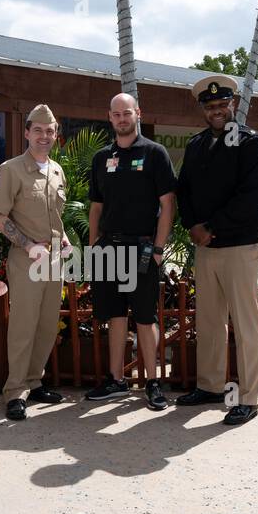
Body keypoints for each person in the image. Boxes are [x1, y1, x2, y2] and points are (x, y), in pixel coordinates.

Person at [174, 74, 258, 426]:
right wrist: (191, 226)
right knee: (210, 320)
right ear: (203, 110)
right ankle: (211, 386)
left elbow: (251, 198)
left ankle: (248, 398)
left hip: (240, 246)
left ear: (234, 104)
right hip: (206, 247)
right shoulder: (197, 145)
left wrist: (210, 227)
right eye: (210, 106)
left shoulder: (251, 144)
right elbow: (183, 190)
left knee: (245, 324)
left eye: (222, 105)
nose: (217, 111)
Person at [84, 93, 177, 410]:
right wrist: (95, 245)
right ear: (109, 117)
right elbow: (95, 208)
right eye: (116, 114)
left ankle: (153, 383)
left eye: (127, 113)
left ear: (138, 113)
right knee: (114, 315)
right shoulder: (101, 158)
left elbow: (167, 205)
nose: (122, 119)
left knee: (145, 317)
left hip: (142, 248)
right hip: (109, 248)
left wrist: (159, 249)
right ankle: (116, 381)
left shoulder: (155, 154)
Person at [0, 104, 73, 421]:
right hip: (27, 260)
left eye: (49, 131)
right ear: (26, 133)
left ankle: (35, 382)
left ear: (55, 135)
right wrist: (27, 245)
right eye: (37, 130)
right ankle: (15, 392)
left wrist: (63, 238)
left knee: (47, 324)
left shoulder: (56, 171)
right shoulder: (10, 170)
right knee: (23, 326)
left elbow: (56, 217)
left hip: (53, 259)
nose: (44, 136)